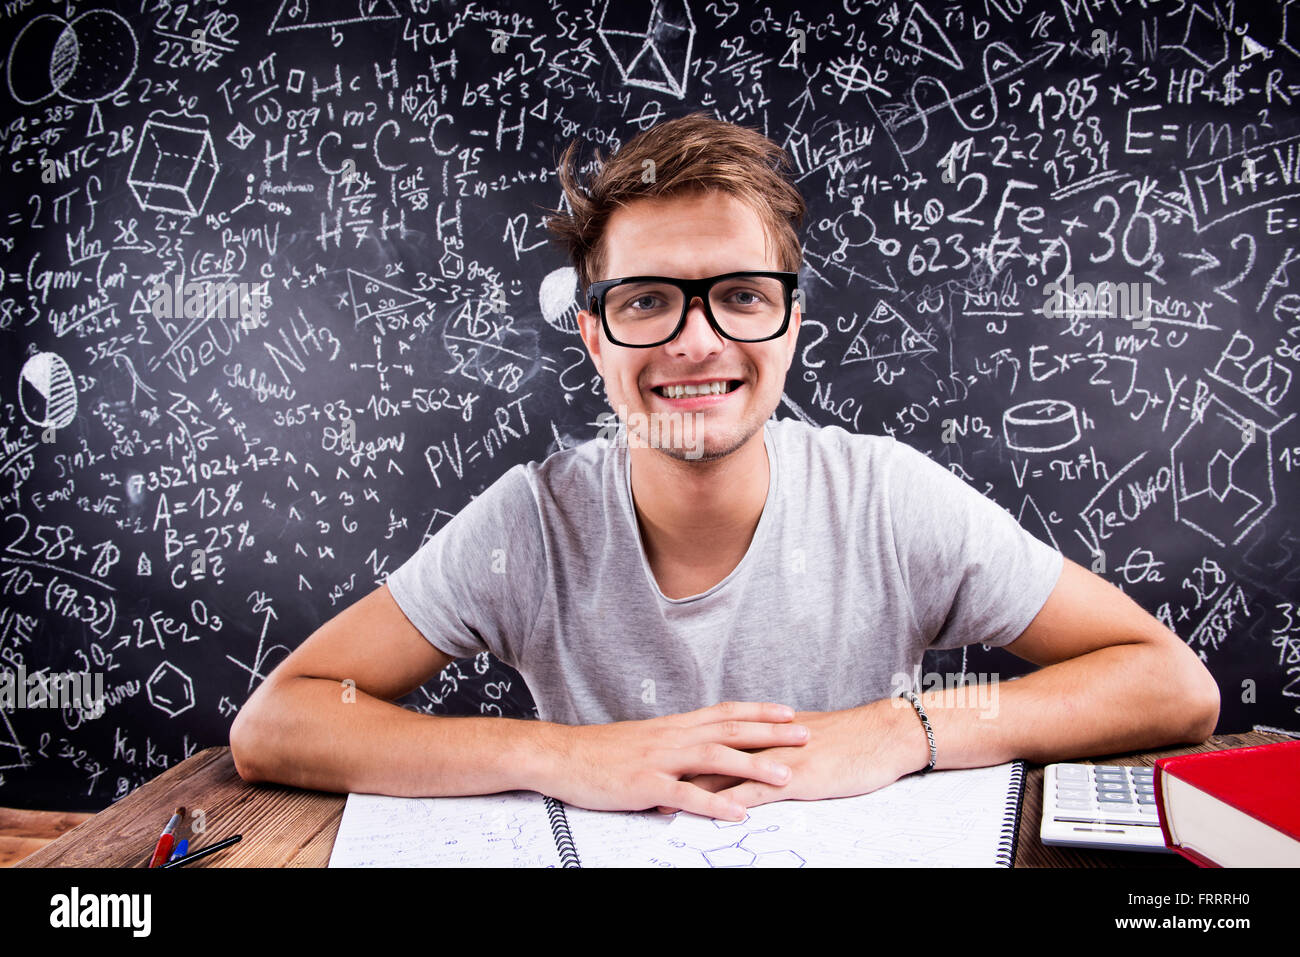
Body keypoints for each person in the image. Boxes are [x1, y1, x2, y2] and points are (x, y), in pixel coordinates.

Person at [229, 113, 1219, 823]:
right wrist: (564, 755)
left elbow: (1167, 684)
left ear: (790, 320)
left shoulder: (888, 498)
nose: (696, 342)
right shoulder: (531, 525)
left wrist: (905, 725)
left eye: (740, 296)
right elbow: (280, 722)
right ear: (592, 335)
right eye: (648, 301)